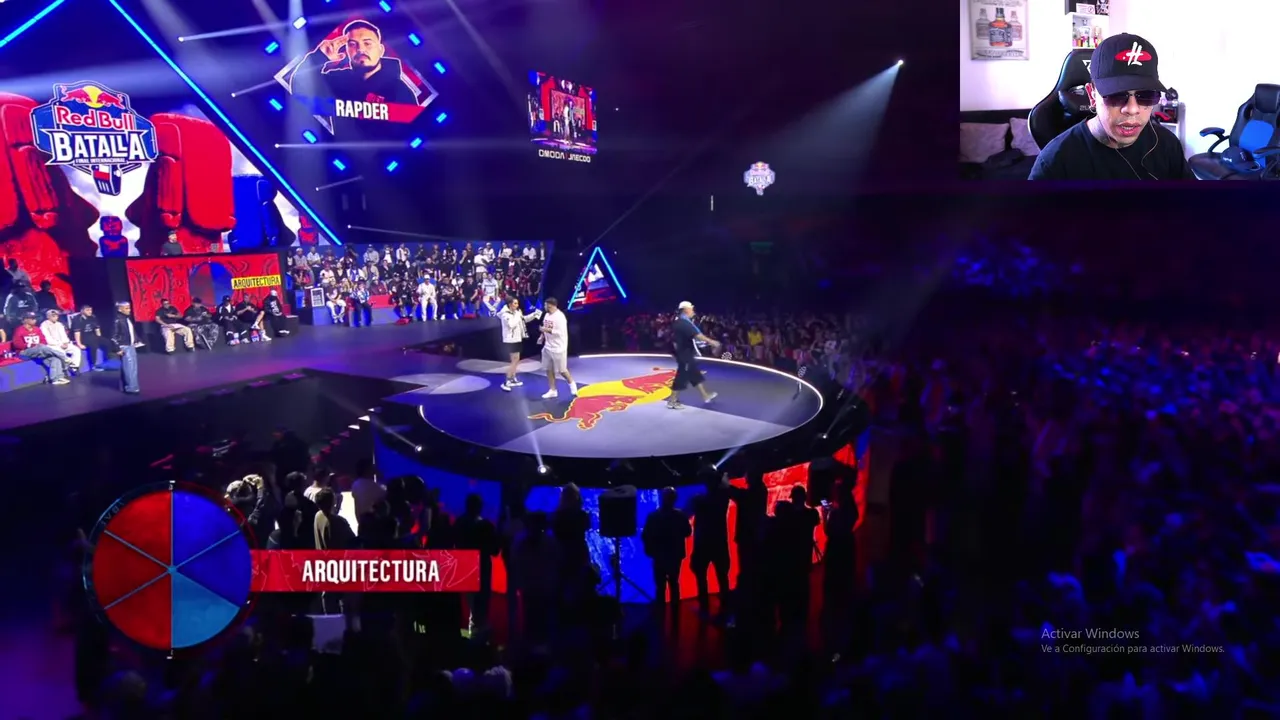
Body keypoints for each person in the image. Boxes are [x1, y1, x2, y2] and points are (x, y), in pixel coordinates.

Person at [1029, 34, 1192, 180]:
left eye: (1146, 95)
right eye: (1117, 95)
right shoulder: (1054, 163)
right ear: (1092, 95)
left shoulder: (1167, 144)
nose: (1132, 109)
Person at [291, 20, 420, 106]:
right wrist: (319, 56)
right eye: (353, 44)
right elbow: (300, 87)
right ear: (347, 50)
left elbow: (412, 129)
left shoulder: (399, 91)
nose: (360, 49)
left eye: (367, 43)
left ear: (381, 50)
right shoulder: (338, 80)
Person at [642, 486, 691, 609]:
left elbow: (645, 535)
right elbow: (688, 532)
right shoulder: (680, 515)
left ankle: (660, 609)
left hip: (659, 555)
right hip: (675, 555)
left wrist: (650, 550)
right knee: (674, 583)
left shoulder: (653, 516)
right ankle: (675, 609)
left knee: (660, 586)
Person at [667, 301, 720, 409]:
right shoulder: (683, 323)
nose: (693, 311)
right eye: (691, 309)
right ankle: (672, 401)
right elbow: (697, 335)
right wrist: (712, 342)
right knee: (682, 376)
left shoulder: (681, 321)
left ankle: (705, 396)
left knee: (694, 374)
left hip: (685, 353)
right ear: (686, 310)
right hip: (684, 354)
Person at [11, 312, 70, 385]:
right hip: (24, 352)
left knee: (55, 359)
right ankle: (64, 357)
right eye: (32, 318)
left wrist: (38, 346)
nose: (35, 320)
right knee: (41, 347)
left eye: (35, 318)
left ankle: (56, 379)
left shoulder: (37, 329)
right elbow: (17, 344)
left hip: (39, 351)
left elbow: (43, 341)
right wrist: (33, 345)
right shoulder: (19, 330)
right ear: (25, 320)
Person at [498, 297, 541, 391]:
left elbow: (523, 320)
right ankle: (507, 381)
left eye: (517, 303)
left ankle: (513, 379)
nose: (517, 305)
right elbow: (511, 324)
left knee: (516, 360)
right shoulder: (505, 314)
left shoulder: (516, 313)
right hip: (510, 340)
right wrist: (518, 315)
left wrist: (534, 315)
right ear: (510, 304)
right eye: (515, 303)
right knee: (514, 361)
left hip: (517, 338)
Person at [537, 297, 576, 399]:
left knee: (562, 370)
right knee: (548, 369)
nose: (544, 307)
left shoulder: (560, 317)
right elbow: (545, 328)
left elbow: (559, 332)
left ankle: (572, 384)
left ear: (550, 305)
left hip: (559, 348)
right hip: (547, 347)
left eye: (545, 305)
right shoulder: (546, 315)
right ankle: (552, 390)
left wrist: (546, 330)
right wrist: (542, 336)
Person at [108, 301, 143, 394]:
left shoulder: (126, 319)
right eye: (127, 308)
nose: (129, 310)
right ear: (120, 309)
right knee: (130, 369)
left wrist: (136, 340)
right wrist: (117, 348)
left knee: (130, 368)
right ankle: (132, 388)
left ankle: (127, 387)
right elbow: (113, 336)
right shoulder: (118, 320)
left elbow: (131, 332)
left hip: (130, 345)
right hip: (124, 346)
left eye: (129, 308)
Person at [40, 309, 82, 374]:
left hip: (63, 343)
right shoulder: (44, 325)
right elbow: (47, 338)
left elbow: (63, 335)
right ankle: (64, 369)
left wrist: (65, 342)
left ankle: (74, 368)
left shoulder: (59, 324)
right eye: (53, 316)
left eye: (56, 316)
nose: (55, 317)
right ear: (48, 316)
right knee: (61, 352)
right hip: (52, 345)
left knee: (76, 350)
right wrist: (60, 344)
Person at [70, 305, 107, 371]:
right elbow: (77, 333)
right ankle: (93, 365)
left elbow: (97, 329)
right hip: (82, 336)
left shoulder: (93, 317)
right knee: (92, 343)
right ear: (82, 311)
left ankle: (107, 361)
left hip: (91, 335)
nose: (90, 311)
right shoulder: (77, 319)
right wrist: (79, 344)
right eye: (87, 310)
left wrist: (100, 338)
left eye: (90, 310)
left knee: (106, 342)